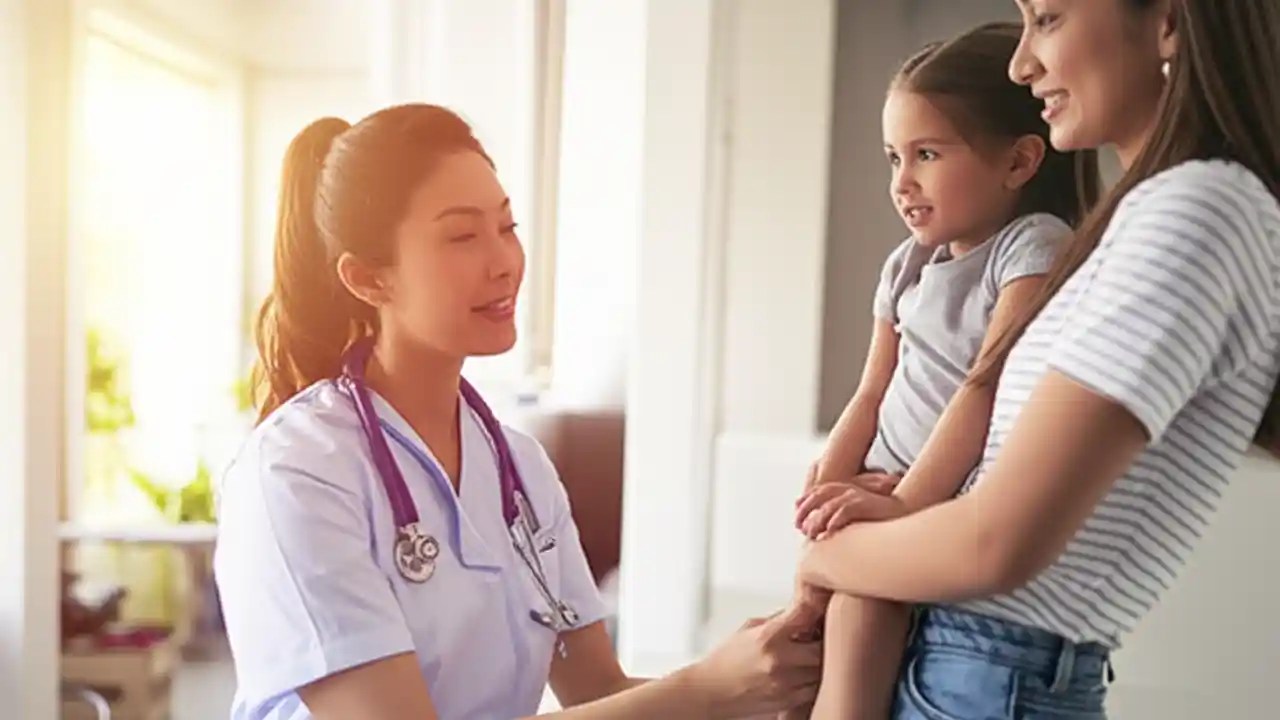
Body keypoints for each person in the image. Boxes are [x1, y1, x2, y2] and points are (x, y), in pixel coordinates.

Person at [213, 104, 822, 720]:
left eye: (507, 227)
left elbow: (601, 695)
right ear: (369, 279)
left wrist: (760, 682)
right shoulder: (295, 474)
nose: (504, 260)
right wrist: (705, 689)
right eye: (462, 235)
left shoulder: (519, 468)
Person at [790, 1, 1280, 718]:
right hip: (966, 663)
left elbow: (995, 544)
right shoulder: (1140, 220)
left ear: (1169, 21)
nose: (1023, 63)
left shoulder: (1198, 210)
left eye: (1047, 18)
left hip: (988, 674)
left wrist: (822, 559)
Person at [786, 22, 1099, 720]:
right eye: (893, 157)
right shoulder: (906, 265)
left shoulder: (1032, 247)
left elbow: (981, 386)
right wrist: (829, 490)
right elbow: (872, 389)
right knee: (803, 642)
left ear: (1018, 163)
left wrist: (904, 507)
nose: (903, 183)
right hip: (876, 490)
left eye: (927, 154)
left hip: (925, 501)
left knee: (861, 611)